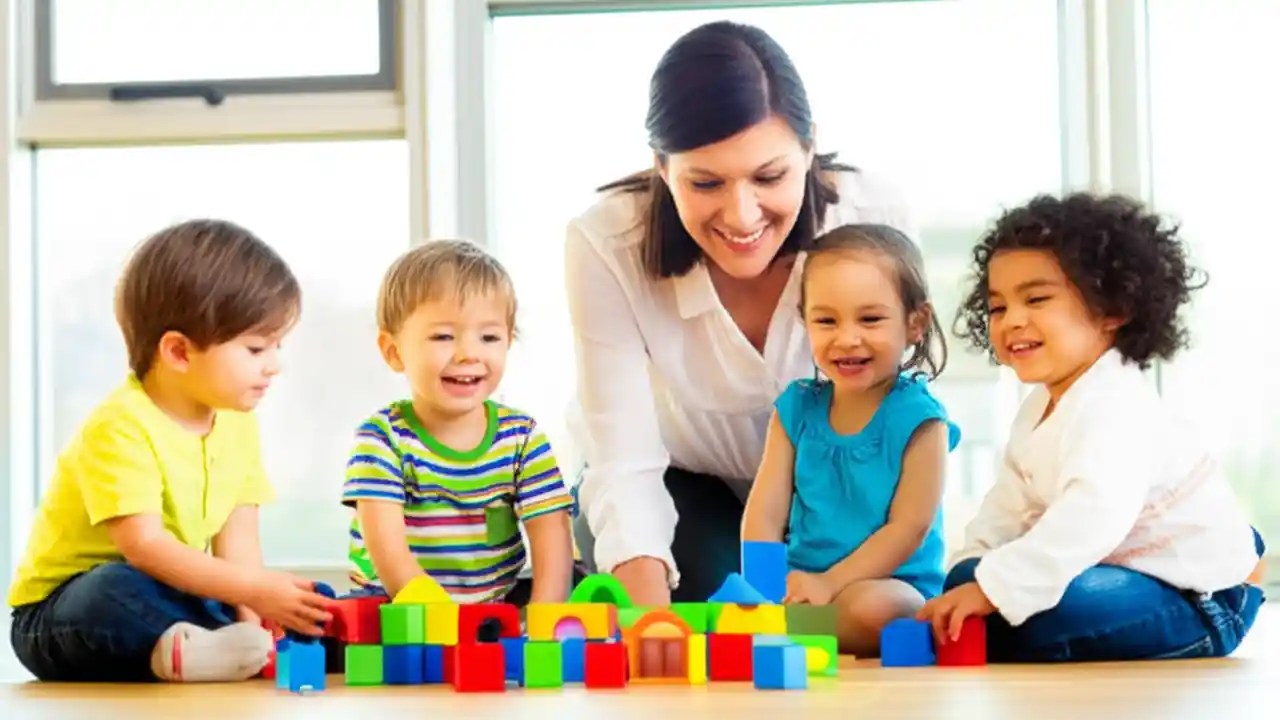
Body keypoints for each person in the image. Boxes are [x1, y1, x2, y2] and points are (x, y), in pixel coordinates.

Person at [565, 19, 917, 606]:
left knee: (847, 613)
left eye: (770, 176)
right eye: (705, 182)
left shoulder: (870, 214)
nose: (742, 214)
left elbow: (896, 413)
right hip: (680, 487)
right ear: (662, 166)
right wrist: (651, 620)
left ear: (808, 150)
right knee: (731, 604)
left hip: (827, 487)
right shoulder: (606, 242)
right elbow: (623, 457)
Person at [917, 193, 1266, 661]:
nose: (1013, 320)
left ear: (1112, 309)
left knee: (1031, 616)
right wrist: (971, 572)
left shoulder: (1114, 405)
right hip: (1117, 569)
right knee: (971, 581)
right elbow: (1006, 509)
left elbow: (1089, 517)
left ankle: (1235, 590)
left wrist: (992, 590)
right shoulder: (1040, 406)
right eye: (998, 307)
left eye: (1036, 299)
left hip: (1194, 600)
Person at [7, 219, 333, 683]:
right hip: (62, 616)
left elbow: (237, 544)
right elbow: (144, 548)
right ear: (179, 352)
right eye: (257, 348)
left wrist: (253, 609)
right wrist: (257, 590)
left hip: (168, 592)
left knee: (309, 597)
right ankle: (201, 649)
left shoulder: (237, 422)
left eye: (277, 346)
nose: (275, 365)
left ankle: (228, 648)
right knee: (113, 589)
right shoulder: (119, 425)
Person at [741, 224, 960, 656]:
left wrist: (831, 583)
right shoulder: (795, 410)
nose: (847, 338)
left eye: (871, 318)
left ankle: (789, 631)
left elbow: (909, 528)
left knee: (879, 609)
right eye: (826, 320)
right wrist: (761, 593)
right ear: (805, 323)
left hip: (889, 583)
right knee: (742, 600)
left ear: (915, 323)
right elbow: (764, 514)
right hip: (802, 584)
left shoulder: (921, 421)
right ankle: (781, 625)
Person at [342, 240, 577, 606]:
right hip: (393, 600)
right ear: (393, 351)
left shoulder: (522, 438)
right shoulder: (383, 438)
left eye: (489, 337)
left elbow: (550, 532)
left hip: (493, 601)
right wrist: (438, 616)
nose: (469, 354)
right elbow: (387, 550)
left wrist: (545, 618)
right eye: (443, 337)